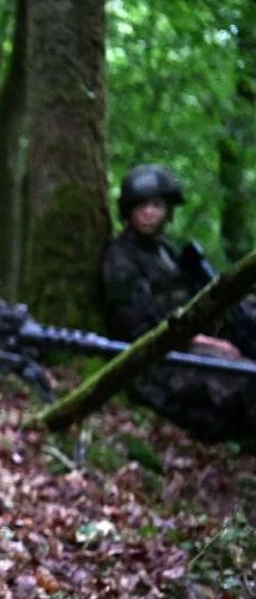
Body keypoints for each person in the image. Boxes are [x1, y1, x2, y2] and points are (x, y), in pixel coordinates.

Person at [102, 164, 256, 442]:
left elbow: (192, 303)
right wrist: (207, 343)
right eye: (142, 206)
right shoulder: (121, 257)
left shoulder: (166, 253)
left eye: (156, 205)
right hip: (156, 363)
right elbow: (139, 329)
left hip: (186, 348)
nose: (149, 212)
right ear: (129, 210)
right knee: (242, 377)